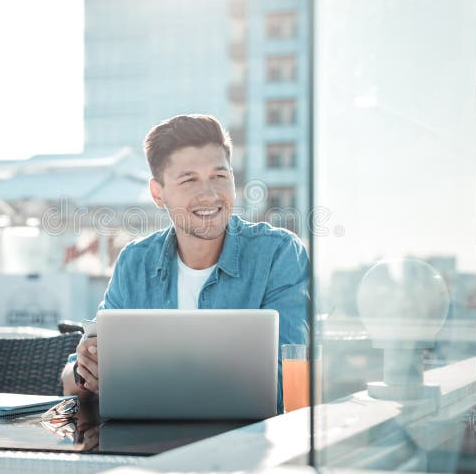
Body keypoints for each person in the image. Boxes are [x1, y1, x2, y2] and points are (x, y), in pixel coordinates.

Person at [61, 114, 309, 413]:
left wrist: (146, 385)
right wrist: (86, 370)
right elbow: (74, 376)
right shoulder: (135, 262)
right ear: (158, 194)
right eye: (189, 180)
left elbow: (287, 384)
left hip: (245, 446)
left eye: (220, 176)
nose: (210, 194)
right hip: (146, 447)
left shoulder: (278, 254)